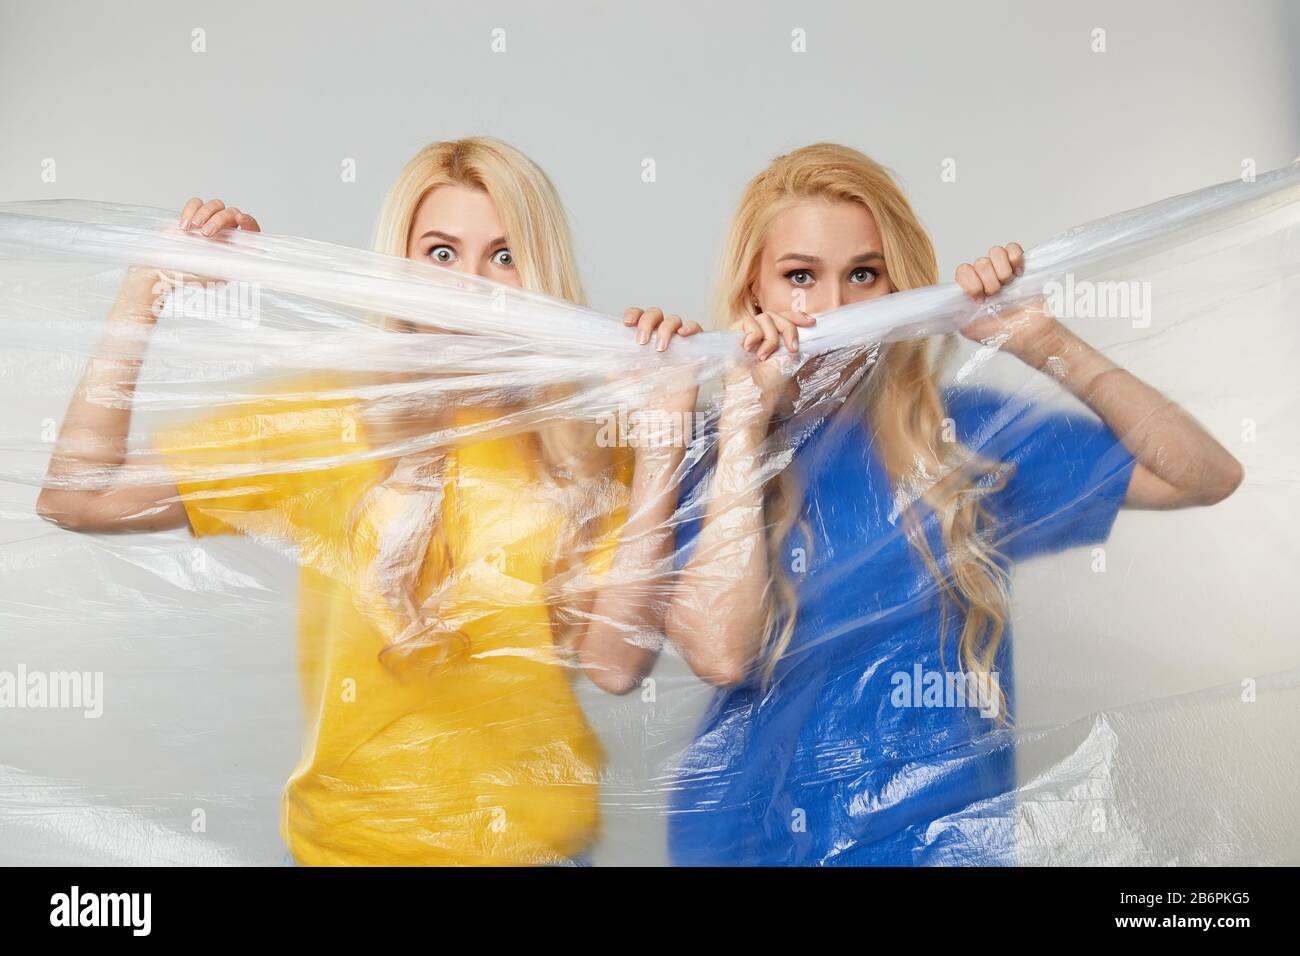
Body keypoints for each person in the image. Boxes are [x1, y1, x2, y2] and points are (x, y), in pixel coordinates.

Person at [35, 137, 688, 865]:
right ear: (400, 266)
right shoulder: (327, 418)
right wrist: (142, 294)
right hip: (349, 851)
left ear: (542, 269)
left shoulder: (586, 441)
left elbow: (617, 668)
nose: (474, 286)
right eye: (442, 254)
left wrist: (663, 439)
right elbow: (77, 497)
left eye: (504, 256)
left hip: (538, 850)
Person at [629, 142, 1244, 865]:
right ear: (755, 292)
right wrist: (742, 422)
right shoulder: (708, 451)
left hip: (941, 848)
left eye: (864, 274)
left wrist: (1044, 341)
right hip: (748, 846)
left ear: (900, 290)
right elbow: (720, 655)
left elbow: (1202, 474)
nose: (832, 308)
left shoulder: (965, 438)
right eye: (801, 276)